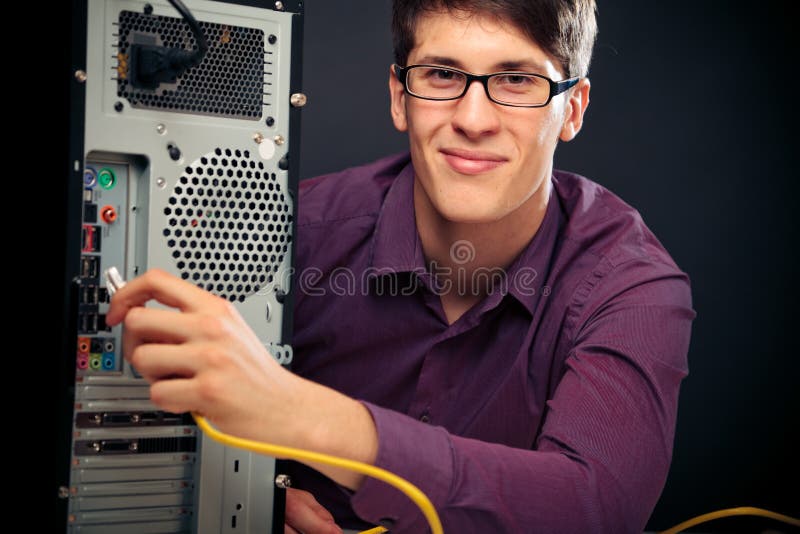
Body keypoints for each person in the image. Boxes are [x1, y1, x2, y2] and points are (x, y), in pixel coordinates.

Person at [106, 0, 695, 532]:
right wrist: (248, 493)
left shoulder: (631, 286)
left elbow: (595, 507)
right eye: (442, 74)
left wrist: (303, 416)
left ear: (572, 110)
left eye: (516, 80)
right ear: (399, 96)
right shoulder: (291, 233)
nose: (473, 118)